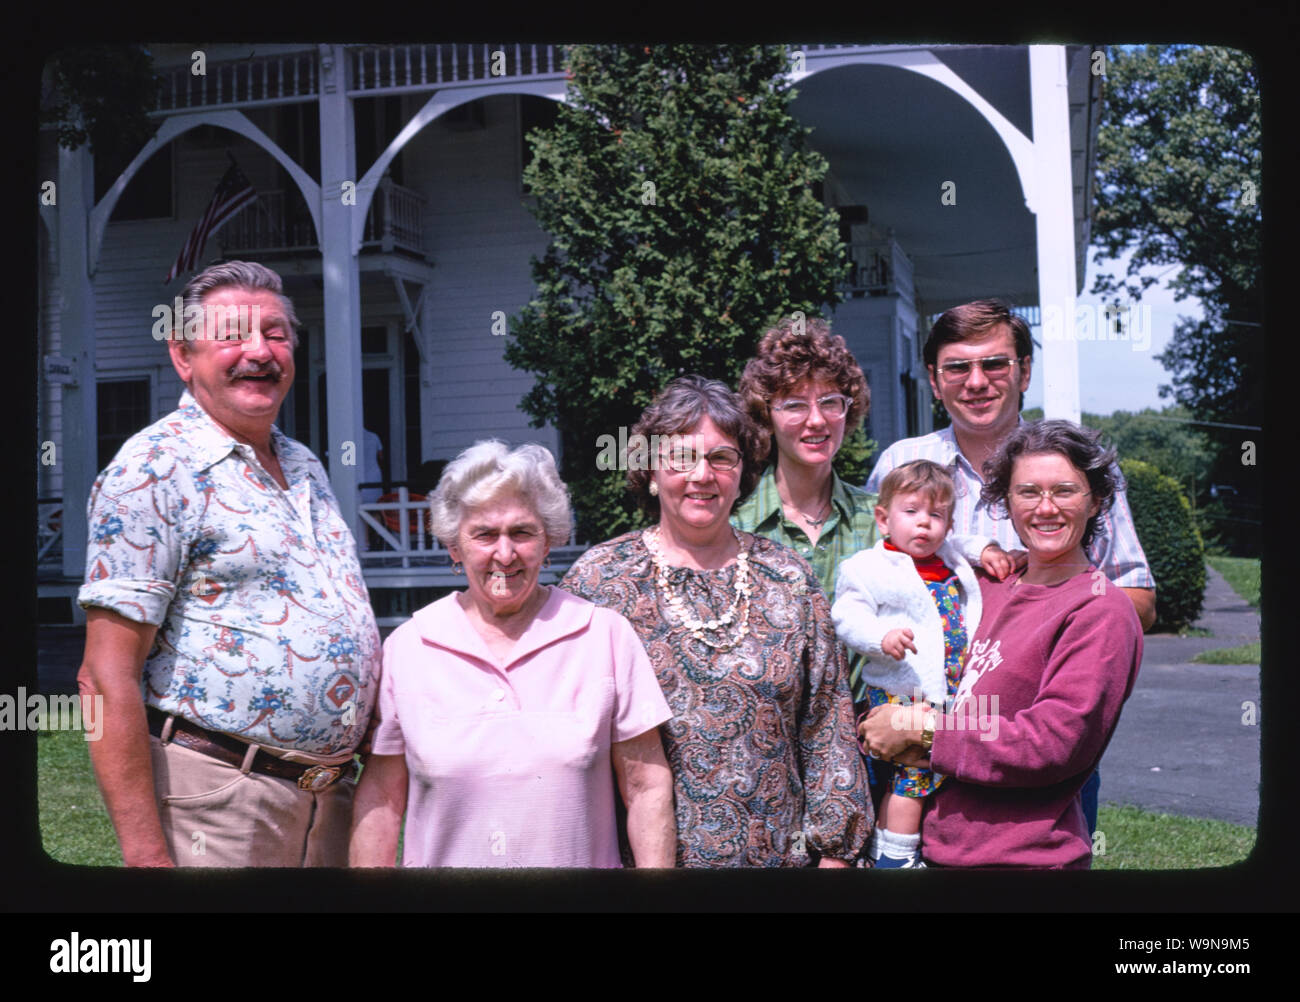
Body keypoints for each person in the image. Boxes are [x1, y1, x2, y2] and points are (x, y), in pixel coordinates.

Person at [76, 261, 380, 867]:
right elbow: (103, 677)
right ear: (183, 356)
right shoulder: (154, 468)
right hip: (219, 800)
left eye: (275, 334)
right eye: (233, 335)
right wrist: (146, 857)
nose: (258, 352)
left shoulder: (304, 464)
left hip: (329, 800)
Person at [866, 298, 1156, 830]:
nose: (977, 381)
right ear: (933, 381)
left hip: (1026, 743)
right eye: (957, 367)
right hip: (911, 729)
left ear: (1024, 371)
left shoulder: (1074, 466)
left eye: (995, 364)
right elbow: (873, 580)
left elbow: (1135, 597)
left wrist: (1032, 636)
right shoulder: (899, 464)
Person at [562, 375, 870, 867]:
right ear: (650, 469)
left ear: (742, 472)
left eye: (722, 458)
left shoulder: (787, 577)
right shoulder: (600, 582)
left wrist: (835, 855)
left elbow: (827, 724)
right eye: (682, 457)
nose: (702, 475)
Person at [349, 441, 675, 868]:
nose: (505, 554)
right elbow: (382, 801)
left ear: (548, 541)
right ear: (454, 547)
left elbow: (646, 788)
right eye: (485, 535)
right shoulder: (410, 647)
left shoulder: (604, 636)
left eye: (522, 533)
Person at [860, 420, 1144, 868]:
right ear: (1007, 502)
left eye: (1065, 491)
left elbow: (1051, 743)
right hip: (931, 848)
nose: (1045, 508)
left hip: (1020, 861)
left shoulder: (1099, 610)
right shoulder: (982, 586)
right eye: (1028, 492)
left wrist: (924, 730)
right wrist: (881, 715)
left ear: (1095, 502)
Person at [832, 460, 1012, 867]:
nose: (924, 524)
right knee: (911, 776)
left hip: (942, 693)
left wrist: (988, 550)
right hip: (899, 692)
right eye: (911, 511)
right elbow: (846, 617)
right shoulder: (869, 568)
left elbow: (966, 543)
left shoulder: (947, 555)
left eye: (937, 515)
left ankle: (905, 848)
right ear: (883, 519)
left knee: (932, 773)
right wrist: (881, 637)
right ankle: (895, 858)